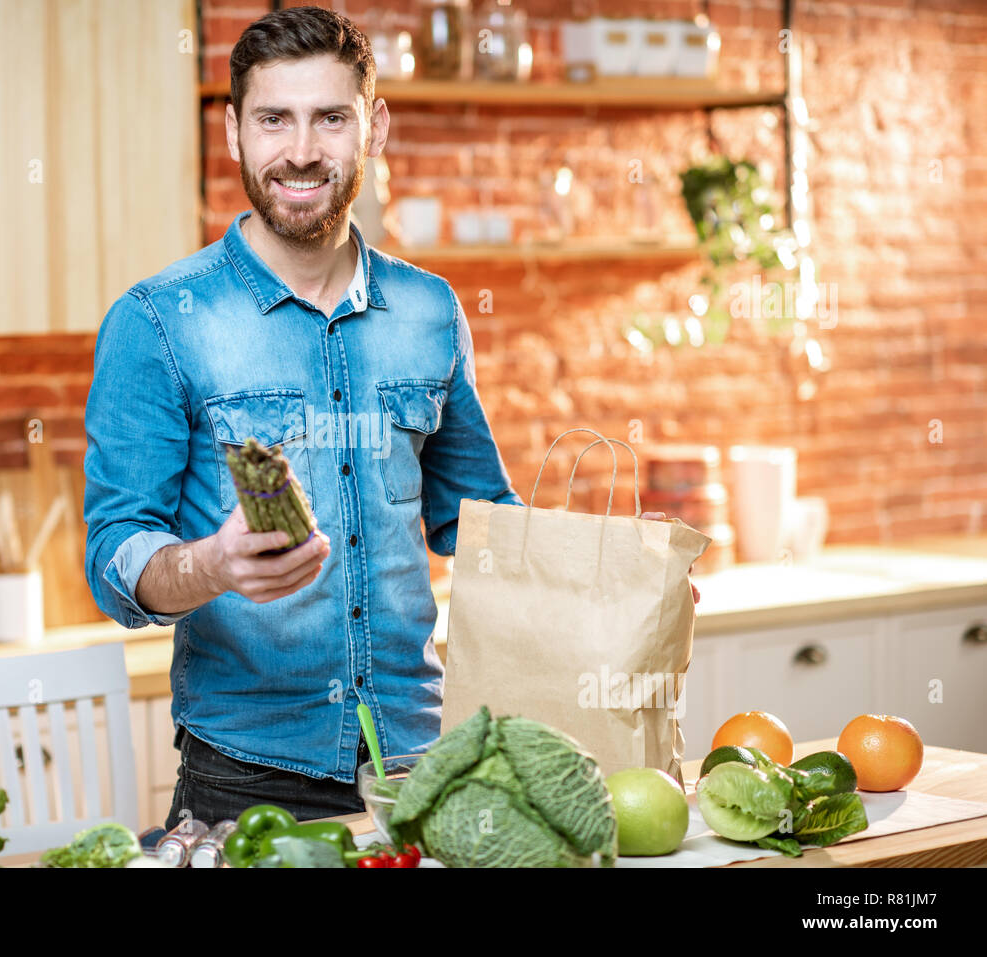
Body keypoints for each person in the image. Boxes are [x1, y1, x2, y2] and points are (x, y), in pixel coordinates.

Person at [83, 6, 696, 832]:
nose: (301, 150)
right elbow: (114, 553)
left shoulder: (430, 310)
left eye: (330, 118)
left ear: (373, 129)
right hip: (247, 780)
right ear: (233, 133)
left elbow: (477, 522)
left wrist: (613, 577)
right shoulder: (160, 320)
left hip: (424, 761)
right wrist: (213, 565)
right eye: (274, 119)